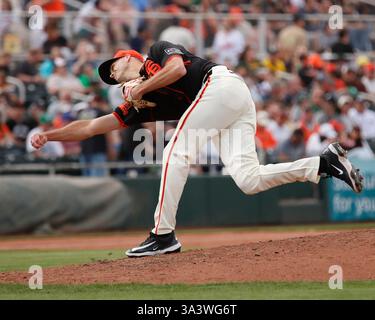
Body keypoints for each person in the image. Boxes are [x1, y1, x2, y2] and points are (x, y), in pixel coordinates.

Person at [31, 41, 364, 257]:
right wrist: (49, 134)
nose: (113, 75)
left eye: (114, 67)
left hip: (221, 87)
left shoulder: (155, 53)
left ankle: (162, 235)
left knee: (176, 149)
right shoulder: (141, 103)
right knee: (248, 180)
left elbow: (176, 69)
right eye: (111, 77)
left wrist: (140, 87)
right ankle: (323, 164)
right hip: (222, 108)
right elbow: (91, 126)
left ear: (131, 58)